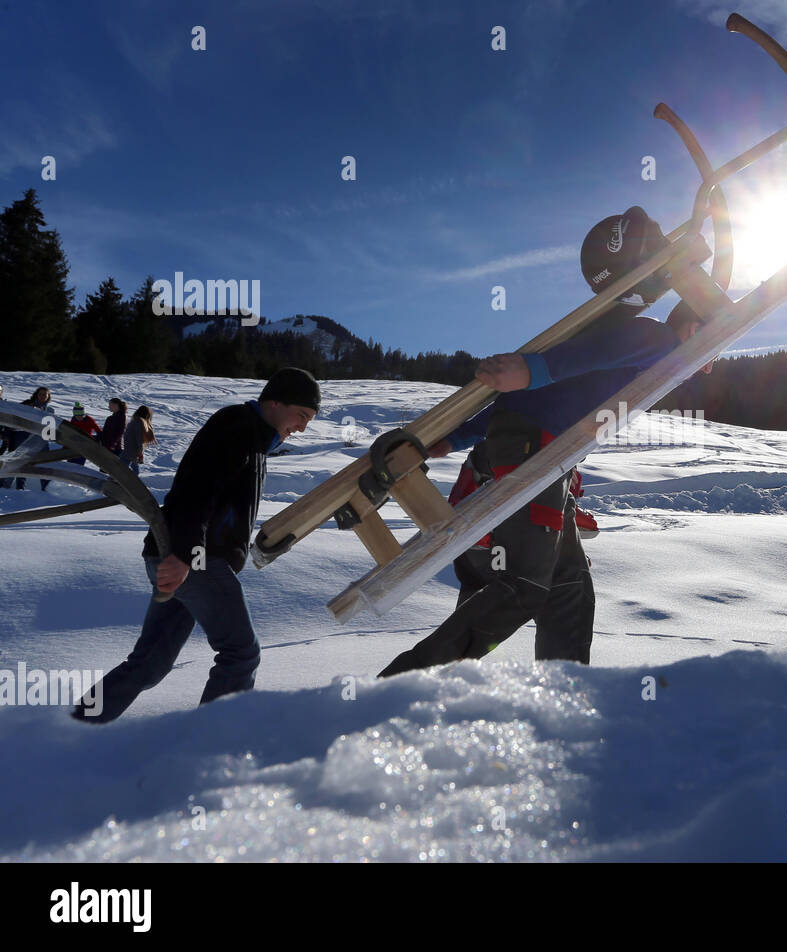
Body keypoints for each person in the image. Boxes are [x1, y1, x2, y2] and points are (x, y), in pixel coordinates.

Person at [378, 208, 708, 678]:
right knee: (525, 585)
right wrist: (531, 369)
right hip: (534, 451)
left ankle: (563, 689)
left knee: (569, 584)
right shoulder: (649, 340)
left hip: (530, 448)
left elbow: (527, 401)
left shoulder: (620, 332)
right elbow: (582, 361)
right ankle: (403, 686)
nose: (705, 356)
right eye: (704, 339)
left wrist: (456, 438)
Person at [72, 368, 320, 723]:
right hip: (197, 560)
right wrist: (187, 554)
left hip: (180, 556)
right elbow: (197, 489)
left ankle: (75, 724)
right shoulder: (237, 427)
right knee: (240, 654)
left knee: (150, 662)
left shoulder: (253, 435)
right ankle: (210, 743)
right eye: (302, 415)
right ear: (275, 402)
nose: (302, 427)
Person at [5, 386, 54, 491]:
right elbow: (14, 418)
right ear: (36, 394)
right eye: (40, 394)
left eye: (45, 395)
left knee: (45, 463)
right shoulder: (26, 405)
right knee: (20, 463)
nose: (42, 396)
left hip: (41, 441)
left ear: (48, 396)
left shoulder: (50, 410)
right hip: (23, 438)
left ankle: (46, 489)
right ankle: (18, 489)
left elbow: (50, 430)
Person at [121, 405, 155, 475]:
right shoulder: (140, 422)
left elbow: (129, 436)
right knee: (131, 471)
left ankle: (118, 481)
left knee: (125, 468)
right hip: (132, 451)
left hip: (129, 449)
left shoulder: (134, 421)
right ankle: (124, 483)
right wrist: (140, 452)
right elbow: (140, 439)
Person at [66, 402, 103, 466]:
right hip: (74, 444)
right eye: (76, 416)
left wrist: (96, 440)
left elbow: (99, 431)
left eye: (80, 416)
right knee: (70, 463)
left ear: (83, 414)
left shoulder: (89, 420)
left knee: (79, 464)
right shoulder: (74, 419)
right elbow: (70, 430)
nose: (78, 418)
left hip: (85, 445)